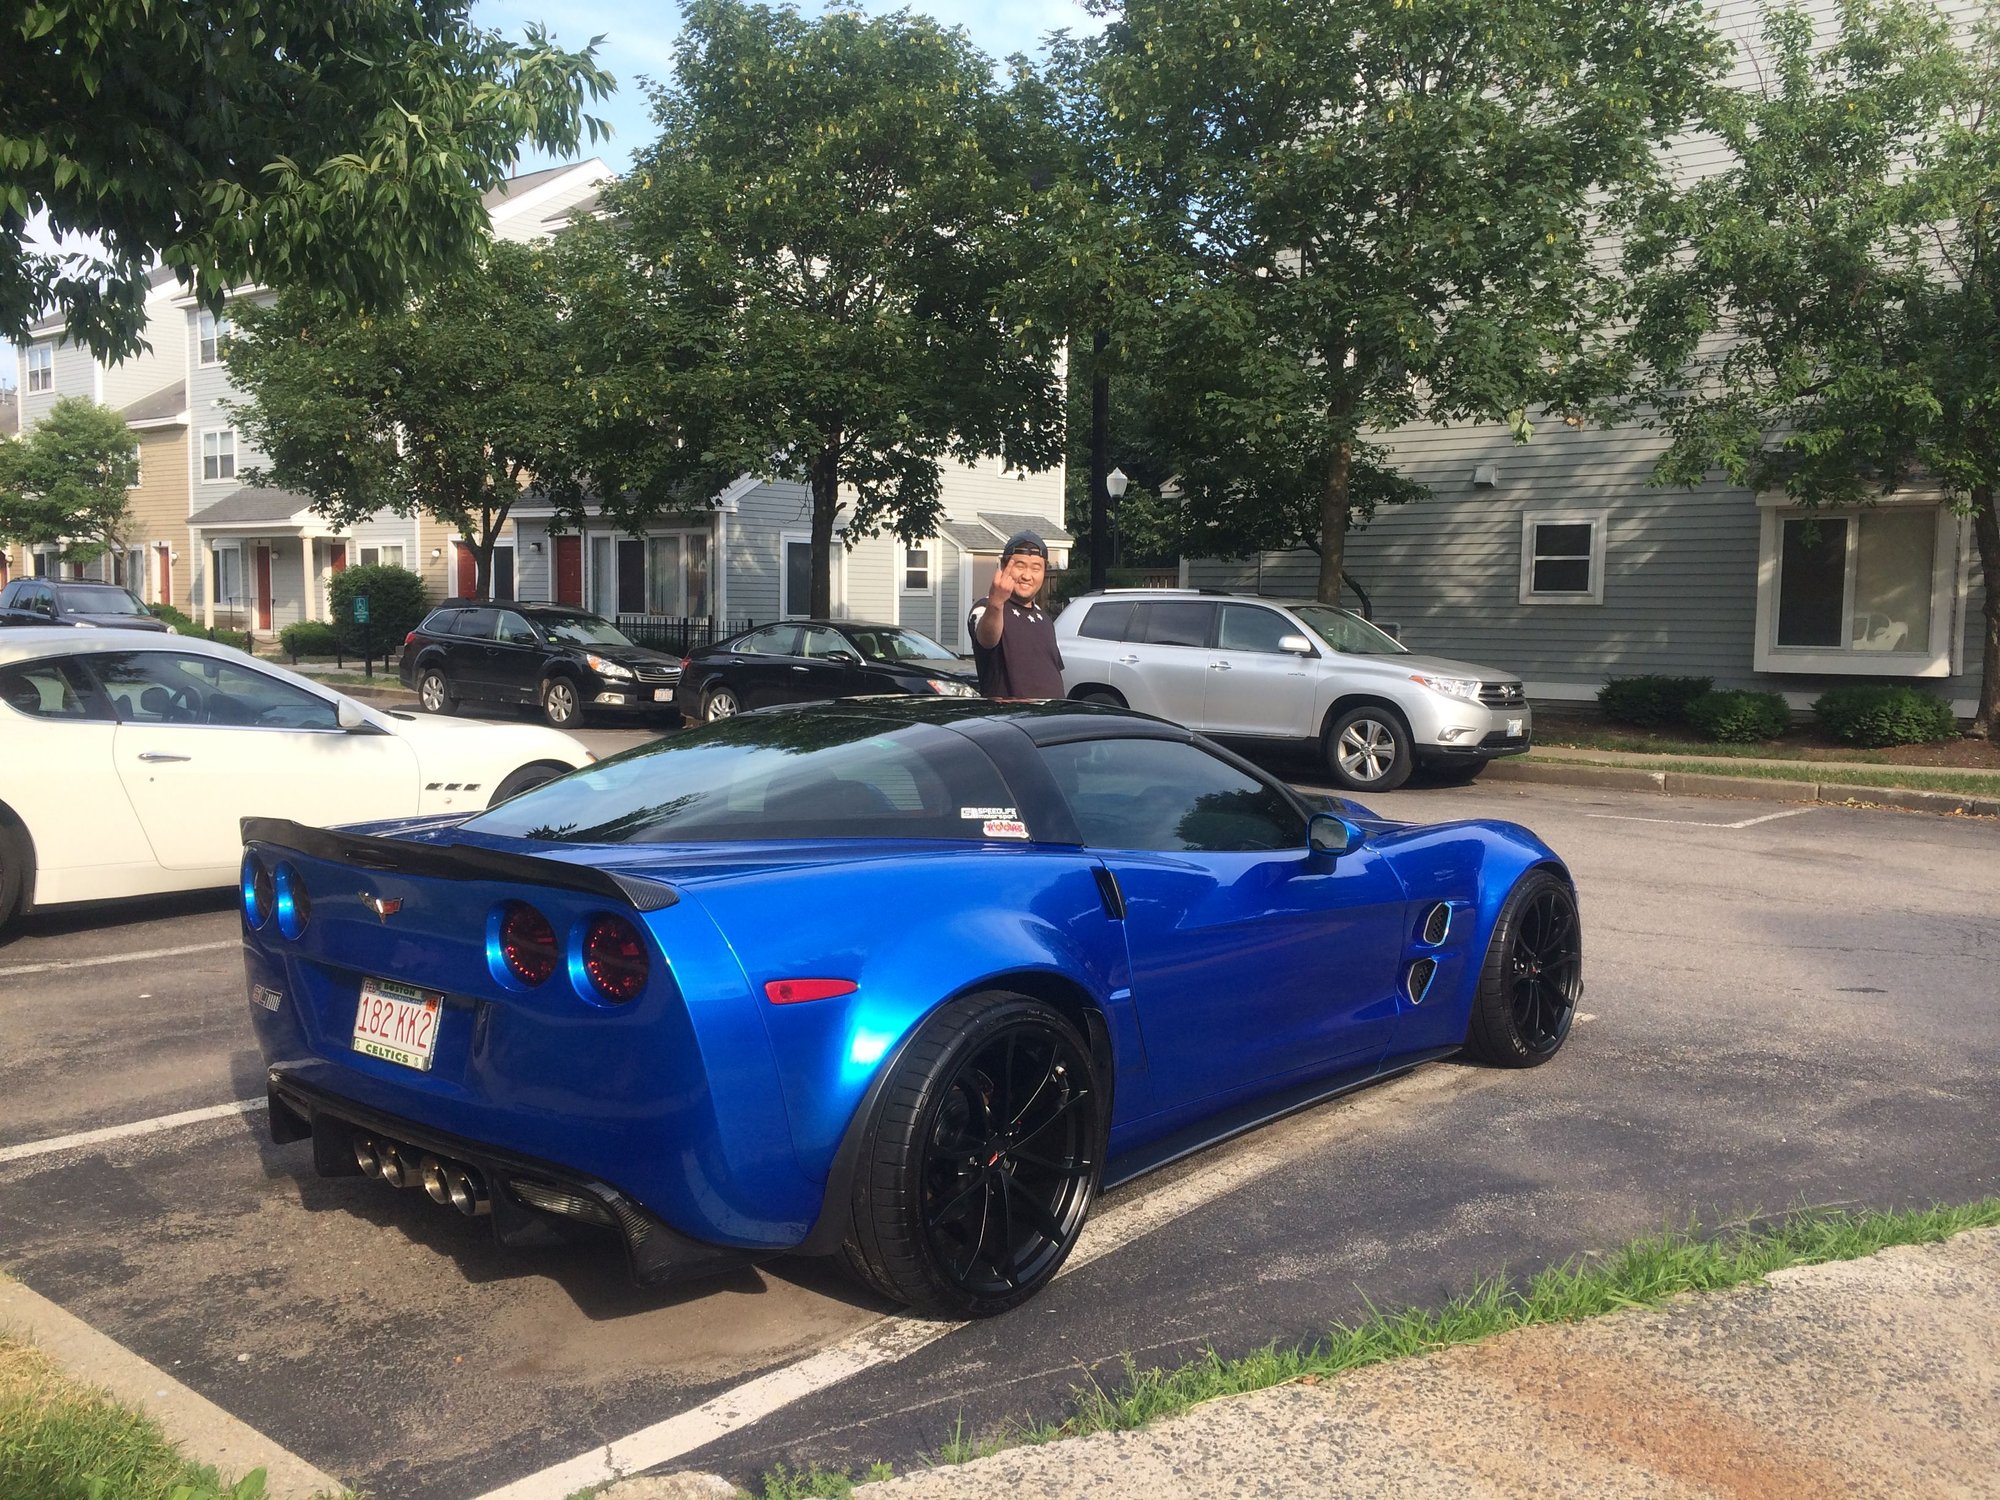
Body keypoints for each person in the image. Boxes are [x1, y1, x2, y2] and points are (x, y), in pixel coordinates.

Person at [968, 531, 1064, 700]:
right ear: (1004, 567)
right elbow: (987, 639)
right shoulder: (985, 608)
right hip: (1011, 722)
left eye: (1036, 568)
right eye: (1020, 566)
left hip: (1051, 720)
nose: (1027, 576)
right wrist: (996, 603)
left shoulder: (1045, 619)